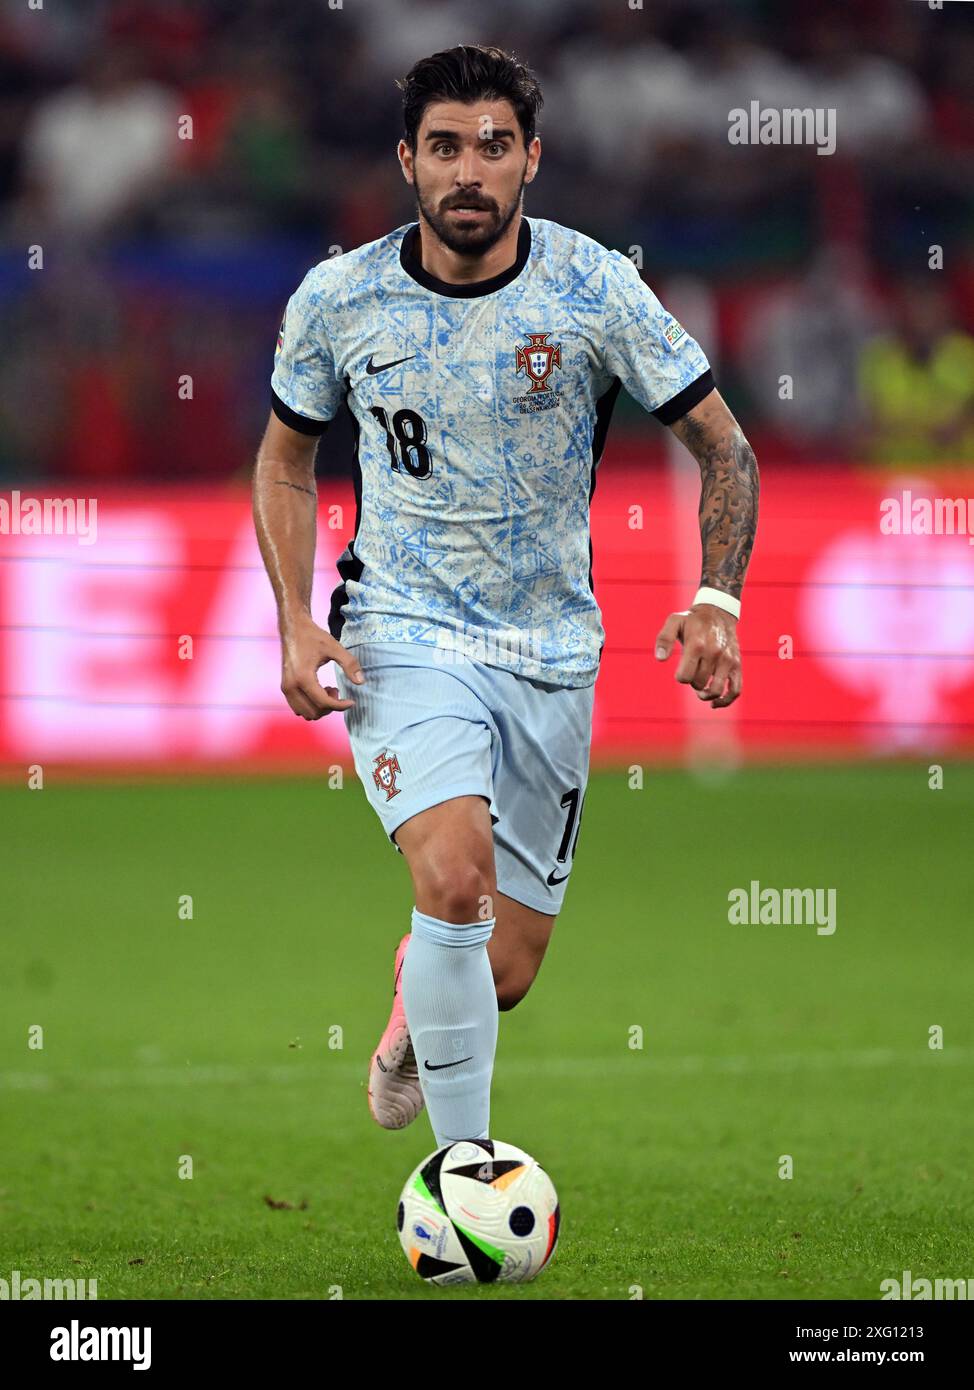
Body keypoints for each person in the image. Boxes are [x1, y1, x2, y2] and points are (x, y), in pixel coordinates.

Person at [252, 45, 759, 1152]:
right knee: (450, 877)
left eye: (492, 146)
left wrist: (716, 597)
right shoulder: (339, 297)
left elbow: (722, 448)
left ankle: (410, 997)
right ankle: (463, 1172)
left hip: (549, 651)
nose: (468, 171)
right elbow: (285, 460)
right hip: (401, 630)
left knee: (505, 967)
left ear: (531, 157)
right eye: (444, 147)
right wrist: (295, 615)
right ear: (406, 162)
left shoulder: (593, 287)